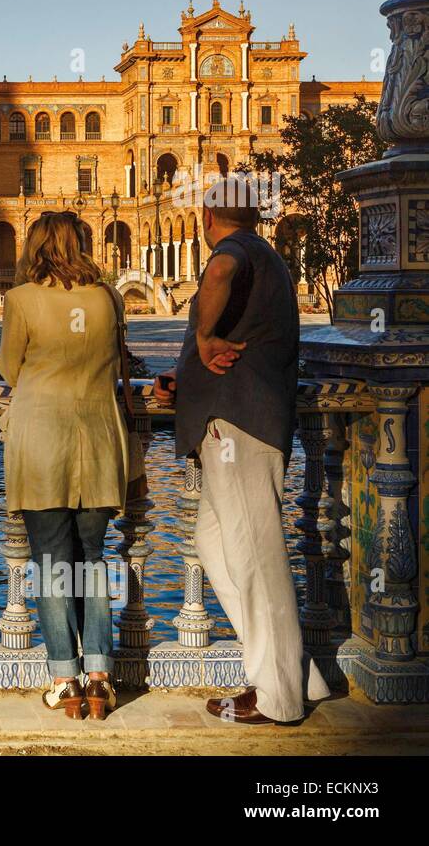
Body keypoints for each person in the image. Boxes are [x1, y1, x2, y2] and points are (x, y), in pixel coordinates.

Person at [155, 177, 330, 725]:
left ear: (209, 219)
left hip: (240, 429)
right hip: (233, 422)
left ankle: (279, 698)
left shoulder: (235, 253)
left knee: (257, 558)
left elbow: (220, 275)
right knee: (217, 547)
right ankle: (297, 673)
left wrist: (203, 337)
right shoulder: (263, 255)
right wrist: (185, 379)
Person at [0, 212, 128, 721]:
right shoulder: (108, 298)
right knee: (92, 560)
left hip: (42, 446)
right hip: (98, 441)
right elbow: (117, 365)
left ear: (35, 248)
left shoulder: (22, 300)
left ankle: (65, 682)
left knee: (51, 565)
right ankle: (100, 680)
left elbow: (10, 367)